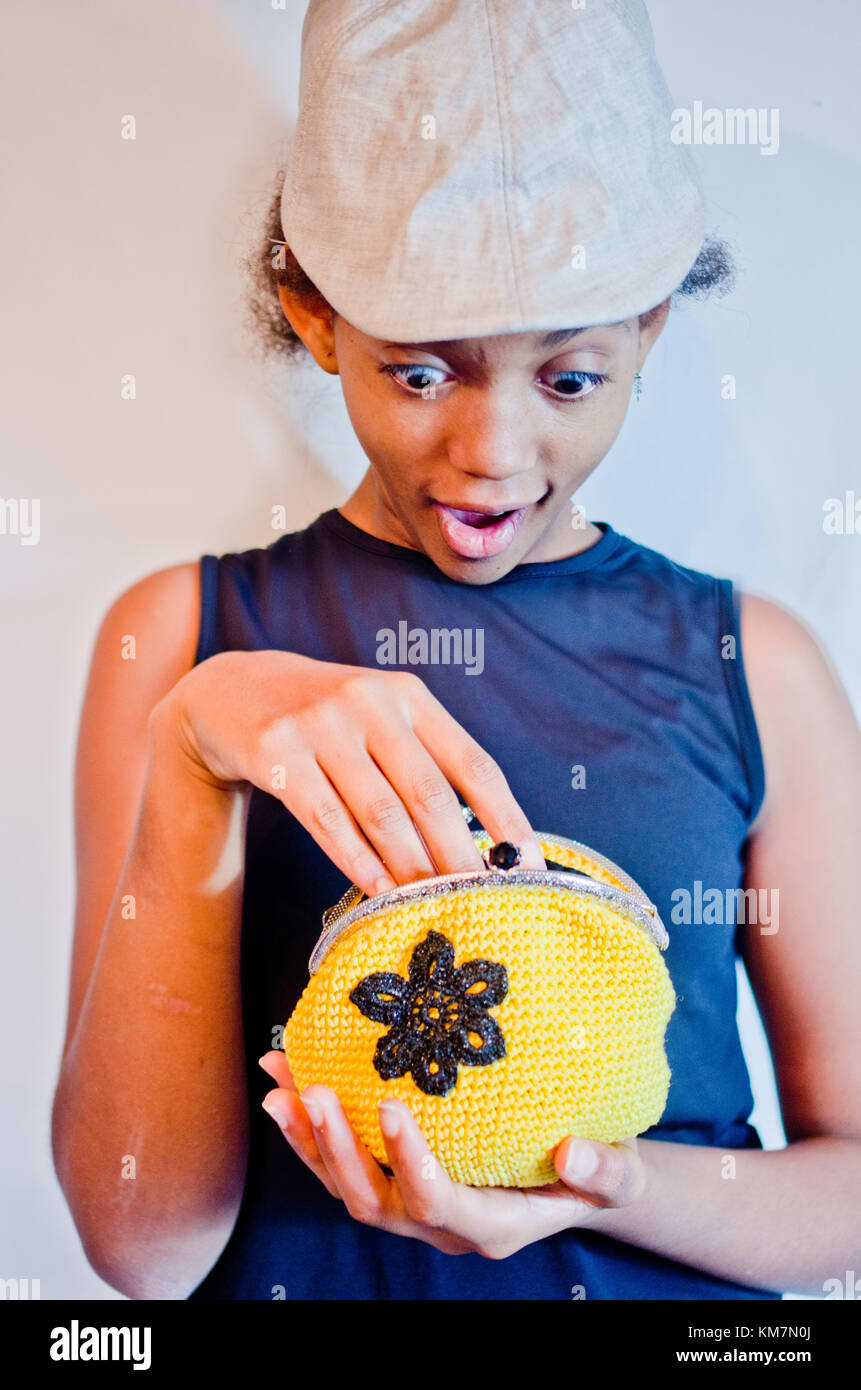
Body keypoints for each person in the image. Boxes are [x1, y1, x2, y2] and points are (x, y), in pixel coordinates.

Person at [52, 0, 861, 1301]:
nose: (490, 454)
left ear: (649, 328)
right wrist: (195, 750)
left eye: (569, 377)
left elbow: (851, 1183)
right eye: (421, 372)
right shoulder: (177, 643)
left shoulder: (753, 663)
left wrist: (612, 1181)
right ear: (315, 320)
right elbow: (145, 1245)